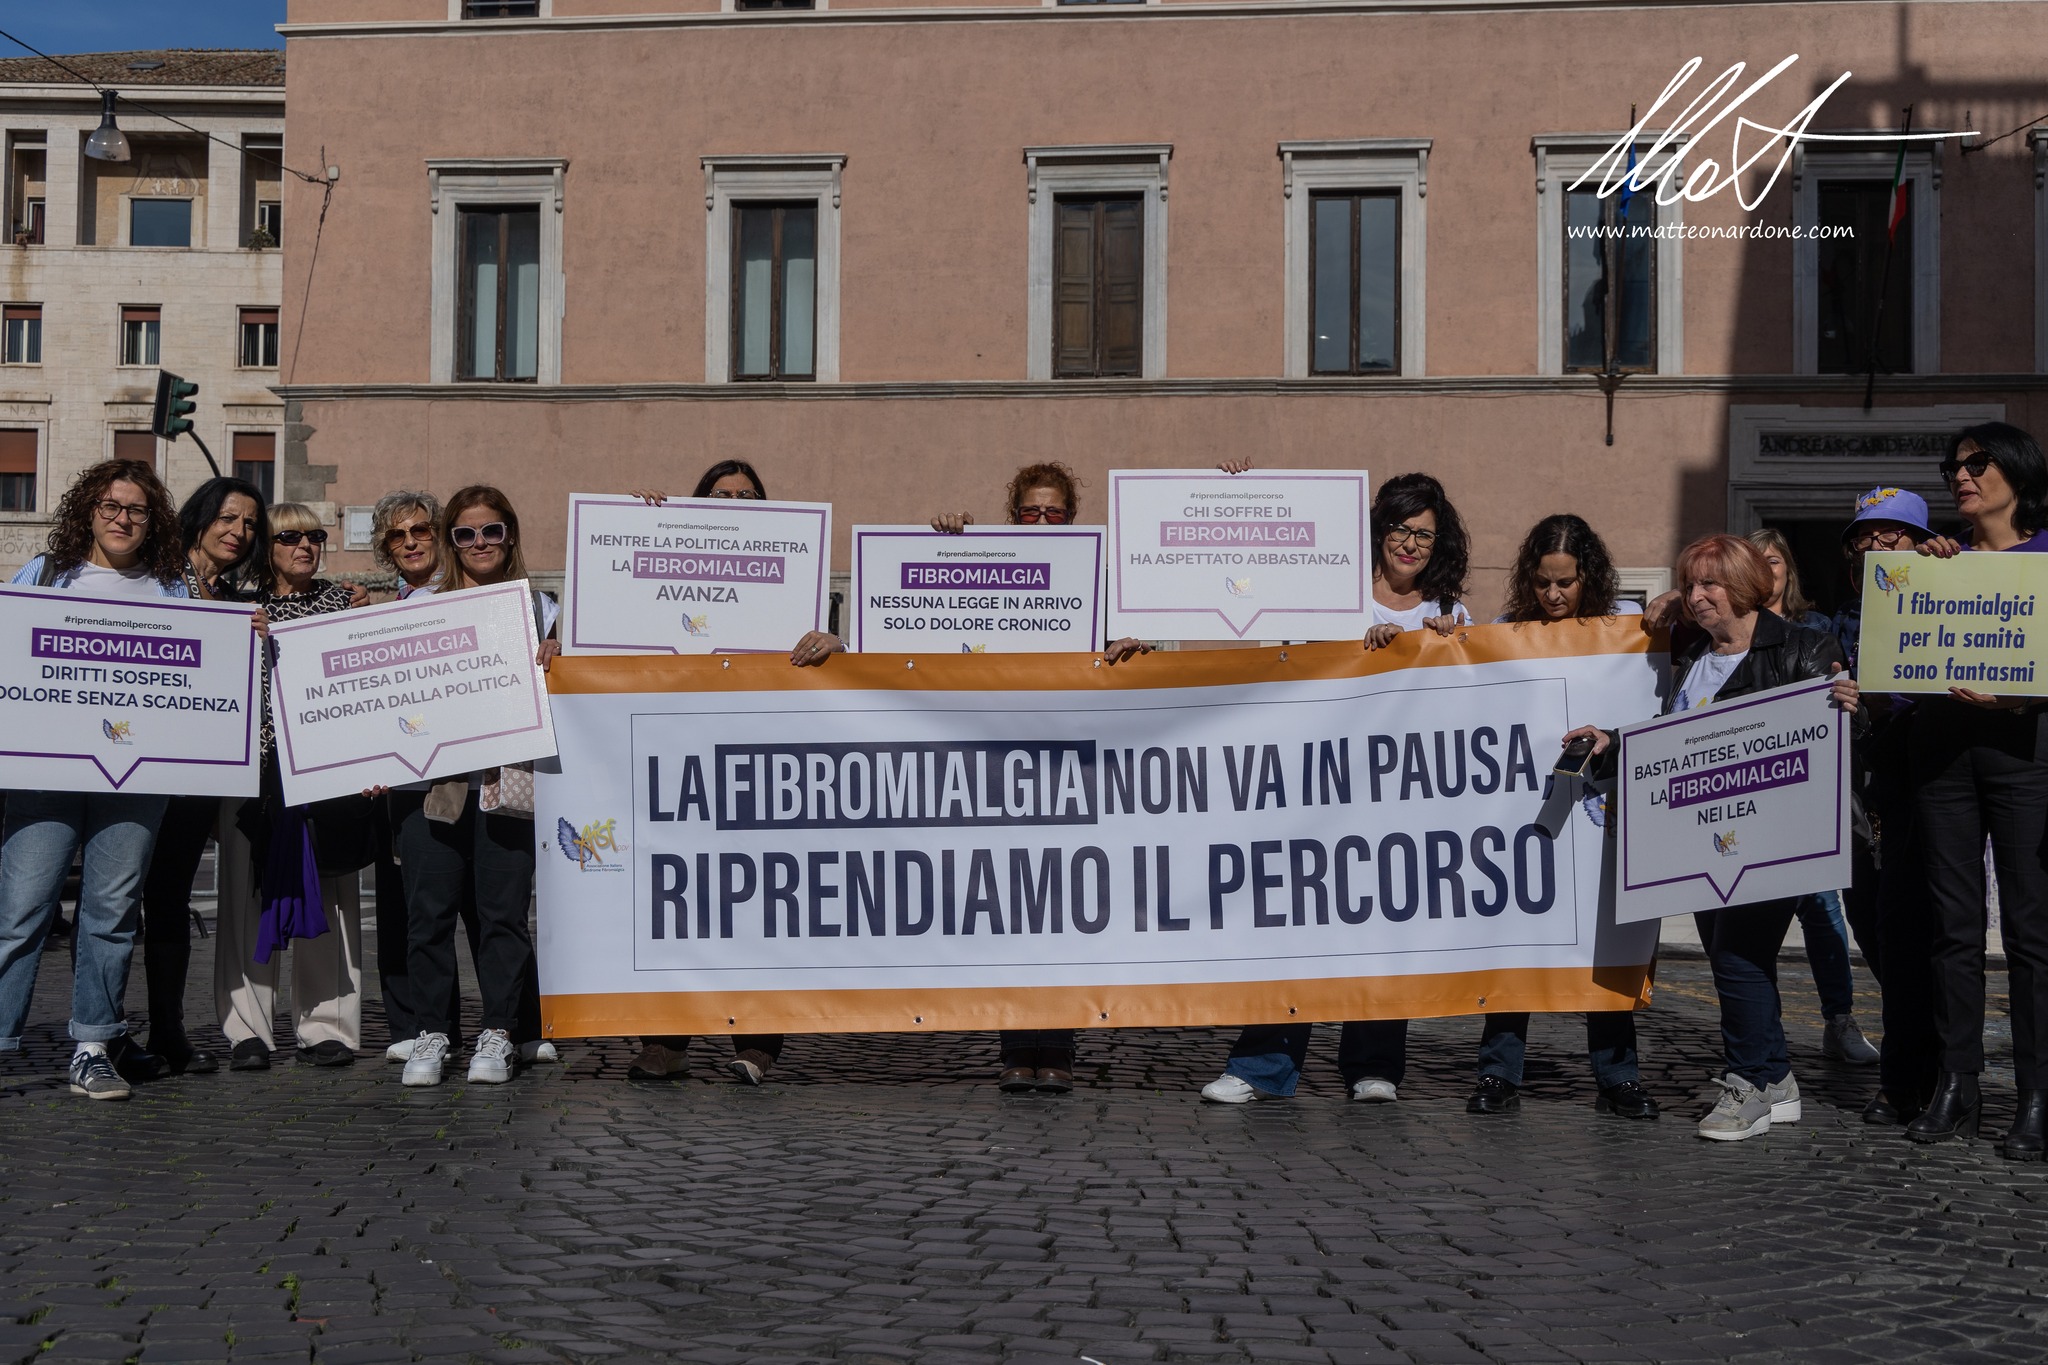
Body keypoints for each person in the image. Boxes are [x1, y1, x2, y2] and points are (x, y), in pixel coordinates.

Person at [1562, 534, 1860, 1141]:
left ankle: (1746, 1086)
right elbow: (1674, 738)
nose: (1698, 597)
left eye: (1711, 585)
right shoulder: (1696, 654)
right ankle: (1777, 1079)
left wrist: (1855, 709)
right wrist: (1614, 742)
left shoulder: (1803, 647)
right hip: (1706, 839)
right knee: (1743, 959)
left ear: (1745, 586)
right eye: (1691, 584)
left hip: (1771, 838)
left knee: (1735, 958)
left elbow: (1838, 734)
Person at [1199, 472, 1474, 1105]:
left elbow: (1459, 699)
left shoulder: (1449, 613)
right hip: (1315, 788)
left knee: (1381, 924)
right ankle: (1262, 1067)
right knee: (1296, 924)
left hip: (1396, 794)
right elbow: (1284, 658)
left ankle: (1373, 1065)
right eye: (1400, 529)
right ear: (1378, 530)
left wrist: (1431, 650)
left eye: (1424, 534)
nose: (1410, 544)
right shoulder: (1329, 594)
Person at [0, 461, 246, 1099]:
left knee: (111, 913)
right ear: (88, 510)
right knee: (22, 912)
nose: (123, 519)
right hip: (44, 773)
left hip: (138, 777)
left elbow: (206, 669)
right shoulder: (47, 575)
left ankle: (92, 1045)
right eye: (111, 506)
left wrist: (243, 641)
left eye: (136, 510)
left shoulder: (171, 588)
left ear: (153, 519)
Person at [621, 460, 840, 1084]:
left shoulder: (795, 575)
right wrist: (637, 528)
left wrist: (835, 645)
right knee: (675, 901)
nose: (734, 503)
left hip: (762, 761)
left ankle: (759, 1042)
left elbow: (828, 657)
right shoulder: (663, 558)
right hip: (678, 757)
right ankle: (665, 1040)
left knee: (765, 902)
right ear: (698, 503)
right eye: (721, 495)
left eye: (748, 496)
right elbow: (614, 625)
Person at [1448, 514, 1657, 1119]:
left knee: (1609, 936)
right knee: (1517, 934)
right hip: (1525, 812)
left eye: (1565, 582)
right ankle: (1497, 1073)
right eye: (1543, 583)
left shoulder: (1627, 628)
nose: (1554, 595)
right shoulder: (1508, 631)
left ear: (1589, 576)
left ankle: (1618, 1076)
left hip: (1601, 813)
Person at [1902, 423, 2048, 1160]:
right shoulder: (1940, 561)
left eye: (1976, 463)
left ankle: (2036, 1097)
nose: (1960, 475)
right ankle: (1956, 1085)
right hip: (1942, 756)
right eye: (1953, 465)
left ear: (2017, 471)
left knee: (2031, 933)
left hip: (2025, 753)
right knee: (1953, 929)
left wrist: (2022, 699)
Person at [384, 486, 557, 1087]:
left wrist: (561, 659)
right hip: (434, 784)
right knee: (427, 914)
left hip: (510, 783)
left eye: (491, 531)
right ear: (451, 543)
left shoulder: (544, 610)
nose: (479, 543)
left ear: (509, 536)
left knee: (502, 915)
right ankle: (433, 1032)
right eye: (465, 534)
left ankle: (501, 1030)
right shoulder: (419, 611)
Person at [934, 461, 1088, 1093]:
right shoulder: (984, 568)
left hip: (1072, 763)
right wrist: (946, 549)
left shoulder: (1093, 578)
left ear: (1072, 519)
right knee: (1011, 912)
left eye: (1055, 512)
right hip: (997, 762)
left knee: (1064, 911)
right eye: (1031, 512)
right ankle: (1015, 1049)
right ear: (1013, 516)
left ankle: (1057, 1050)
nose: (1043, 522)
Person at [134, 476, 271, 1076]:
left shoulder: (236, 600)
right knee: (110, 905)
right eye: (227, 517)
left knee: (168, 899)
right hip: (133, 767)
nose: (237, 532)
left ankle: (167, 1031)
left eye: (248, 524)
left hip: (192, 778)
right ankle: (102, 1031)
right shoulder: (153, 578)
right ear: (200, 517)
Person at [1827, 487, 1940, 1127]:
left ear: (1922, 543)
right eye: (1864, 536)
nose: (1875, 544)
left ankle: (1925, 1073)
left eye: (1891, 534)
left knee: (1926, 940)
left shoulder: (1949, 595)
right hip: (1862, 803)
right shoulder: (1842, 620)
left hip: (1930, 795)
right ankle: (1909, 1063)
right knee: (1873, 926)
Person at [1747, 527, 1880, 1067]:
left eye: (1774, 561)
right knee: (1752, 923)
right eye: (1753, 560)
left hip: (1811, 793)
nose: (1765, 569)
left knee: (1824, 910)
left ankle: (1839, 1020)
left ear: (1788, 570)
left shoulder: (1819, 628)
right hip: (1754, 797)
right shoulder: (1725, 636)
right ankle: (1762, 1034)